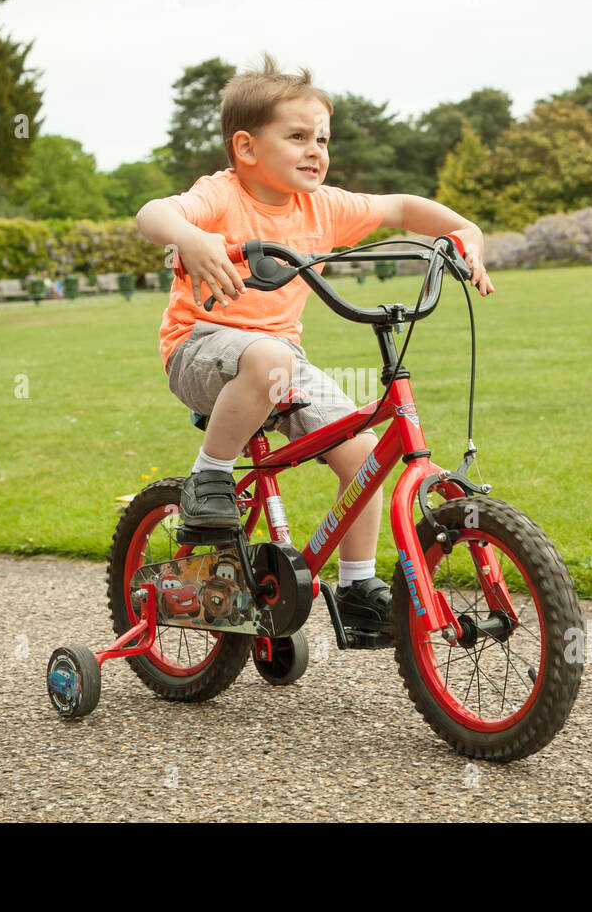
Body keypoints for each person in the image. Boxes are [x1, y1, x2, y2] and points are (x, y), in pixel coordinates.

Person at [135, 52, 494, 633]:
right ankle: (209, 479)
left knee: (365, 455)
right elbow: (154, 213)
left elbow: (400, 207)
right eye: (297, 136)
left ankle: (356, 588)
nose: (316, 151)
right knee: (272, 355)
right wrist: (189, 236)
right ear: (247, 148)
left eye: (322, 139)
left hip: (280, 360)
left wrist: (463, 229)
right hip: (199, 348)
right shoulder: (222, 196)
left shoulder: (322, 206)